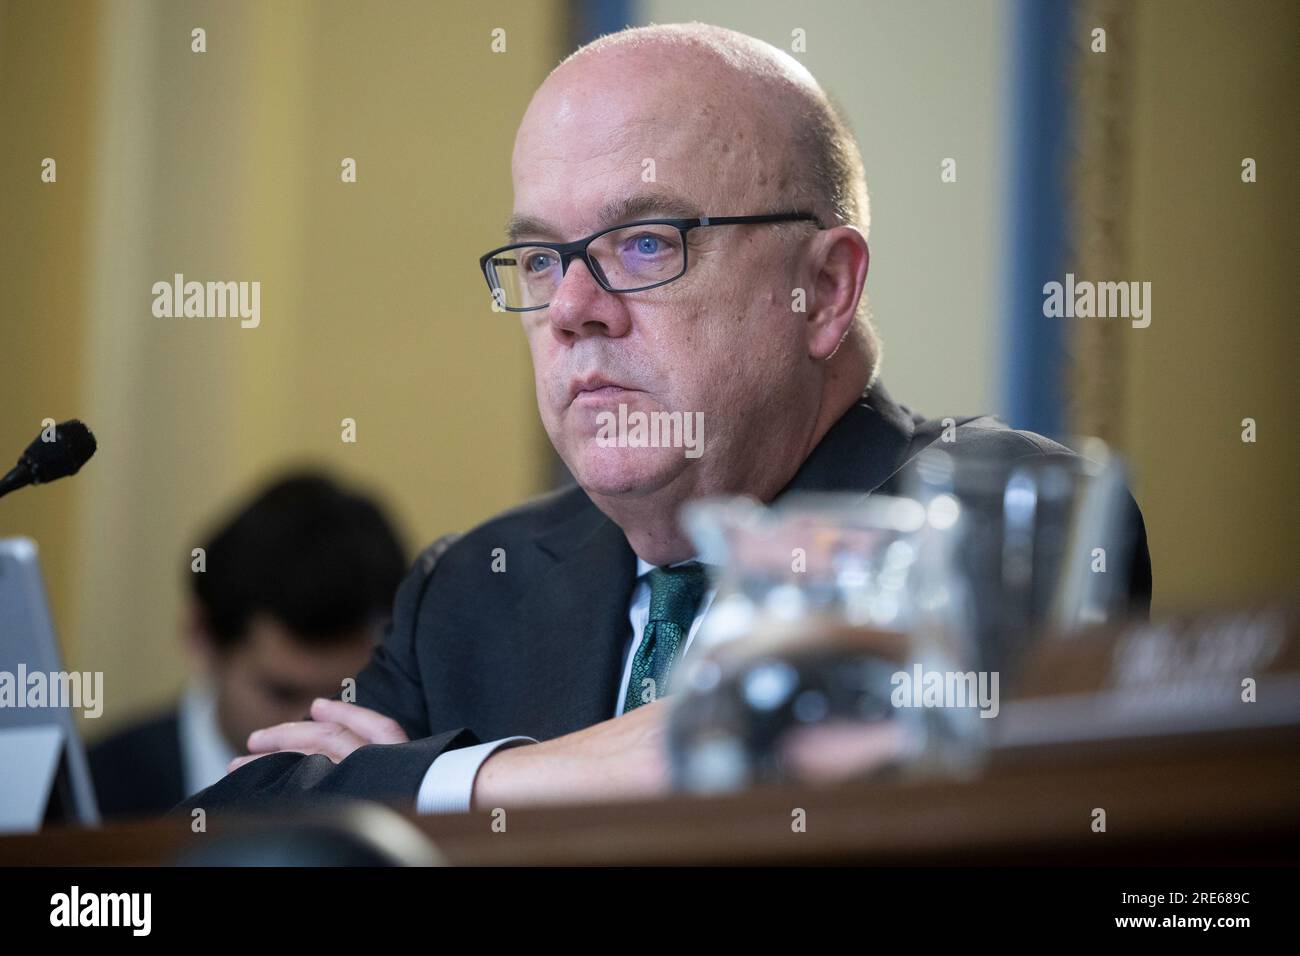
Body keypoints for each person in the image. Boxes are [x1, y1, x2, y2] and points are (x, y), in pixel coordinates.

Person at [180, 23, 1150, 817]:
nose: (571, 307)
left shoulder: (996, 516)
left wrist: (423, 781)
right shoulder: (472, 589)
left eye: (642, 242)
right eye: (540, 257)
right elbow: (253, 813)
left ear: (822, 287)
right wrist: (506, 775)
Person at [90, 472, 407, 819]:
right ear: (202, 637)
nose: (315, 728)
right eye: (282, 693)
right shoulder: (90, 796)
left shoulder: (419, 792)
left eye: (345, 694)